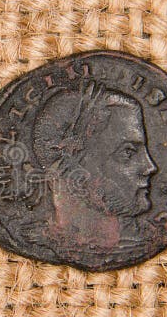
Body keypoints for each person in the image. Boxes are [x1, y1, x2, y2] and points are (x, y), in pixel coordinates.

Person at [31, 82, 157, 255]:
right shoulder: (38, 244)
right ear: (72, 166)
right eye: (128, 152)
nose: (150, 167)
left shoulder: (144, 240)